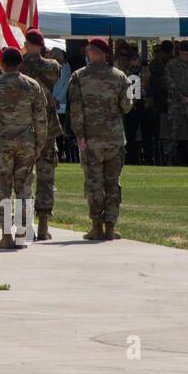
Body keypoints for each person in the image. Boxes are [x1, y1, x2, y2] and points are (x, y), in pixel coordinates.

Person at [0, 47, 48, 249]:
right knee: (24, 189)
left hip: (2, 145)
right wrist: (39, 144)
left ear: (2, 63)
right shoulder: (32, 86)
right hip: (26, 144)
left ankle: (6, 234)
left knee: (2, 189)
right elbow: (41, 119)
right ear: (20, 64)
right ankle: (20, 233)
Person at [68, 37, 133, 240]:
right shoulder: (119, 76)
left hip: (91, 138)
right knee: (112, 183)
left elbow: (76, 110)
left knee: (94, 183)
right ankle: (111, 226)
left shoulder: (79, 76)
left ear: (90, 52)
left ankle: (96, 225)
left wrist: (79, 134)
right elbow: (127, 106)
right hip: (114, 138)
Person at [21, 29, 63, 240]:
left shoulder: (18, 65)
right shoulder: (52, 66)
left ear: (27, 43)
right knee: (46, 177)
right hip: (46, 128)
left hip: (24, 128)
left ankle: (25, 224)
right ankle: (44, 225)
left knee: (23, 178)